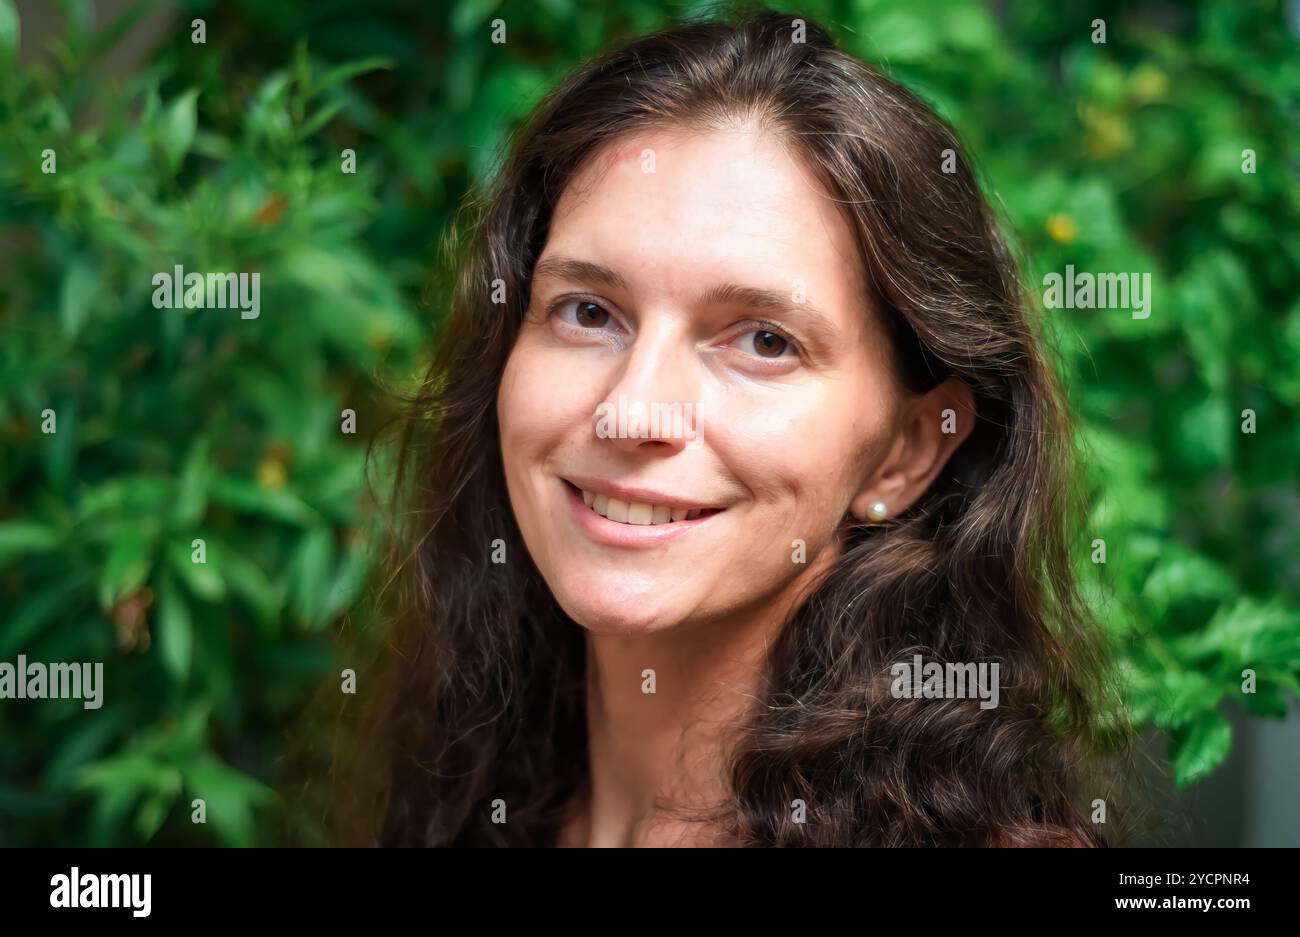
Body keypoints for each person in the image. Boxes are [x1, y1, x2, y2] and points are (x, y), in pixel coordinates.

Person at [339, 7, 1128, 848]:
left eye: (763, 341)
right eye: (588, 310)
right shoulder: (457, 801)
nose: (632, 410)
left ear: (907, 451)